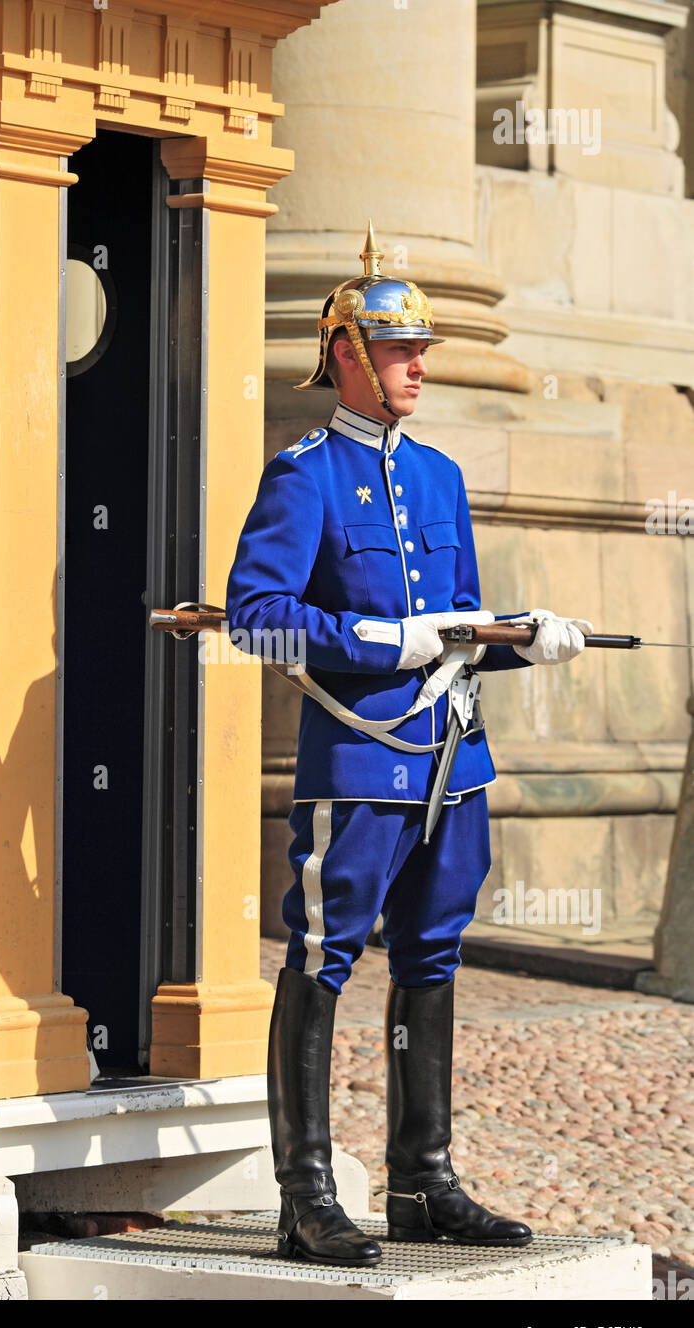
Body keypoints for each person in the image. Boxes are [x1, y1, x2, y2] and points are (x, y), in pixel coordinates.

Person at [225, 224, 592, 1267]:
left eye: (421, 349)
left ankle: (420, 1182)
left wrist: (529, 640)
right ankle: (304, 1196)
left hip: (450, 761)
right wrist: (382, 638)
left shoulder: (434, 476)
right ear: (345, 352)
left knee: (429, 959)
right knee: (321, 956)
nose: (419, 366)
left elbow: (460, 624)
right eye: (400, 350)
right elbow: (256, 617)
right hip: (359, 763)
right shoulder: (303, 475)